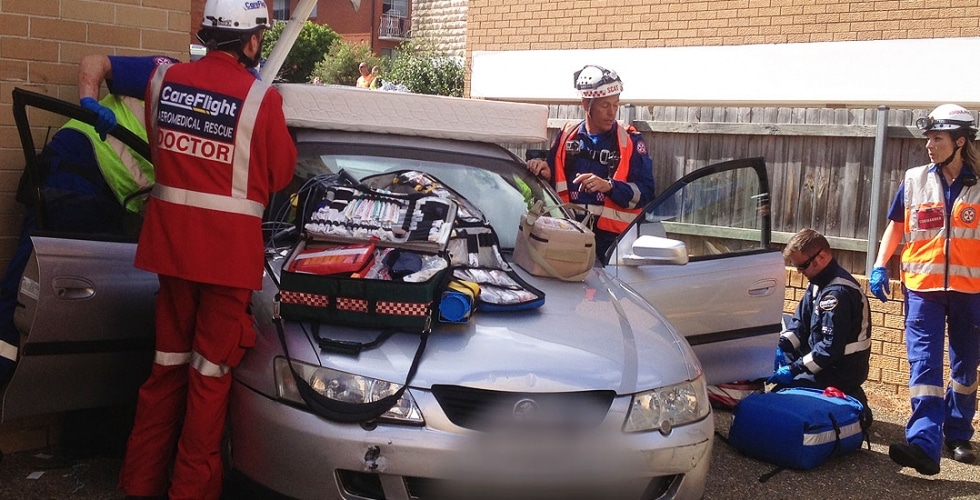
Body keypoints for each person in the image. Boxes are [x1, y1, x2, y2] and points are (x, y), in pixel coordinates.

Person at [78, 0, 296, 497]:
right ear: (252, 40)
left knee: (165, 373)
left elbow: (98, 65)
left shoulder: (164, 80)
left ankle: (139, 485)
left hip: (172, 254)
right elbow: (282, 175)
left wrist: (90, 104)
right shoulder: (262, 100)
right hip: (226, 263)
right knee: (208, 381)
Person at [0, 55, 177, 390]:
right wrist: (88, 103)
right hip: (78, 166)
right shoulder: (169, 74)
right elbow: (95, 62)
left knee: (33, 296)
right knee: (28, 293)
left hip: (99, 196)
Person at [869, 103, 980, 476]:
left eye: (937, 138)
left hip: (972, 292)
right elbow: (896, 226)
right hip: (922, 290)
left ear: (960, 142)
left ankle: (959, 434)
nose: (929, 145)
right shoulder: (915, 179)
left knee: (966, 366)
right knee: (924, 365)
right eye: (929, 138)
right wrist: (880, 265)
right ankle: (924, 445)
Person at [525, 64, 655, 259]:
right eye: (605, 105)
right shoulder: (566, 137)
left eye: (615, 104)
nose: (612, 112)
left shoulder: (630, 140)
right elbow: (555, 183)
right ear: (586, 105)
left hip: (611, 245)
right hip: (567, 235)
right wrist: (546, 173)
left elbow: (646, 192)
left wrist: (609, 187)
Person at [767, 228, 872, 422]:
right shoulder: (816, 283)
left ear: (821, 257)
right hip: (826, 360)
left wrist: (794, 369)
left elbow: (830, 348)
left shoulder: (837, 293)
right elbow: (799, 325)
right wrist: (780, 347)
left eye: (803, 266)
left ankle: (855, 406)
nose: (800, 272)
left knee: (781, 400)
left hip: (841, 368)